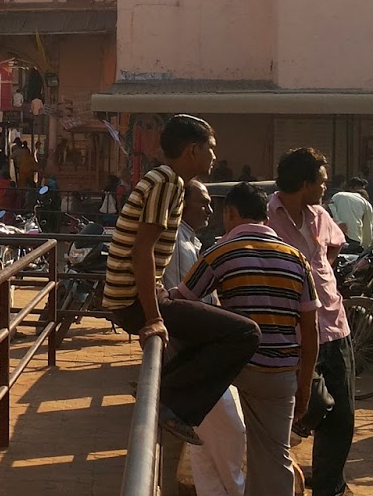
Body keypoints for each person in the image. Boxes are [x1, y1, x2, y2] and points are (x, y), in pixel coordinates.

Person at [179, 183, 318, 496]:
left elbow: (183, 301)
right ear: (267, 216)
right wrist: (304, 386)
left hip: (228, 369)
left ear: (231, 215)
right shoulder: (297, 260)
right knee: (274, 460)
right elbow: (308, 331)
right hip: (279, 372)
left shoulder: (219, 253)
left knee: (203, 430)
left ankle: (174, 412)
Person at [101, 114, 261, 446]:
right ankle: (172, 402)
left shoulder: (164, 180)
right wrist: (155, 317)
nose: (215, 156)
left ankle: (166, 391)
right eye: (211, 149)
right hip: (132, 302)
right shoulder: (168, 183)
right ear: (192, 150)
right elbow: (142, 250)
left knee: (212, 331)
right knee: (246, 333)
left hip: (137, 297)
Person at [268, 147, 358, 496]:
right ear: (304, 184)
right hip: (289, 334)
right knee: (291, 414)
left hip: (334, 329)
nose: (325, 187)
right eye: (321, 181)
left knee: (342, 419)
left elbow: (335, 248)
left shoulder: (321, 216)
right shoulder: (266, 216)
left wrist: (322, 282)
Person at [163, 180, 246, 496]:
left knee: (203, 430)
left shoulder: (189, 242)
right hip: (196, 349)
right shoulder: (181, 245)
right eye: (204, 203)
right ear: (183, 206)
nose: (209, 210)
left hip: (192, 346)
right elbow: (186, 300)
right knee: (231, 427)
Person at [328, 177, 373, 250]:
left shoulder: (338, 195)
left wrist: (338, 222)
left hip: (334, 236)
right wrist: (366, 248)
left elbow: (329, 207)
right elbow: (367, 227)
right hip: (353, 238)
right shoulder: (366, 203)